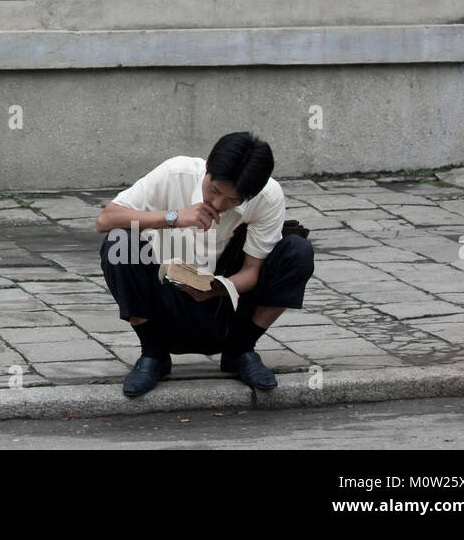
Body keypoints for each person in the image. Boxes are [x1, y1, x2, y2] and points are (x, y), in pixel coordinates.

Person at [95, 132, 314, 396]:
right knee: (120, 241)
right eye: (214, 190)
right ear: (208, 164)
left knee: (297, 250)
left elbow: (251, 271)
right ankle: (153, 355)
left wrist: (219, 289)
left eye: (233, 200)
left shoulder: (267, 196)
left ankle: (241, 351)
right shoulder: (175, 173)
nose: (218, 205)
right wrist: (174, 217)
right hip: (167, 299)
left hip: (228, 303)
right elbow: (105, 220)